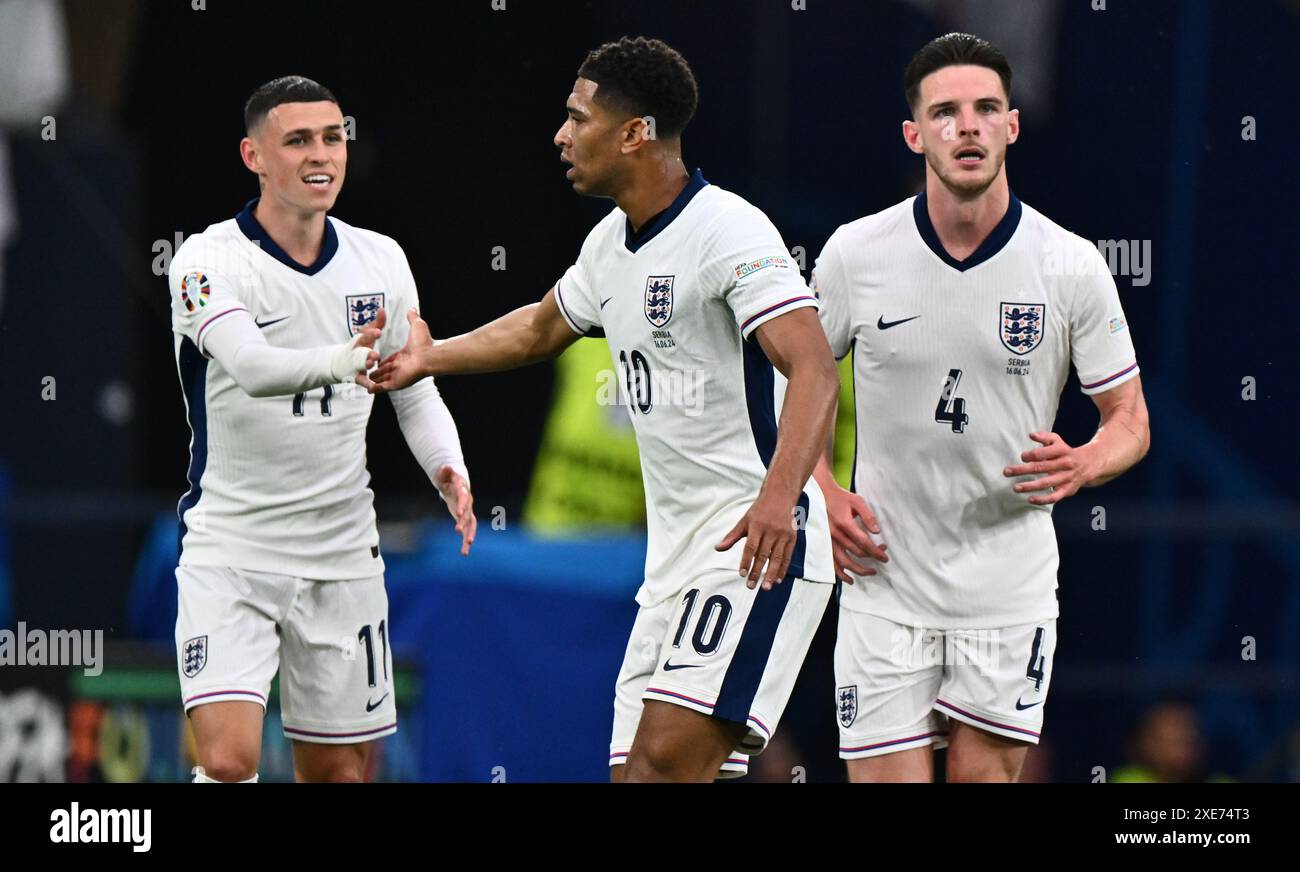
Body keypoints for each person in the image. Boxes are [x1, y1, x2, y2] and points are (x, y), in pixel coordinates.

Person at [367, 37, 840, 783]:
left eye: (577, 117)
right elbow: (540, 328)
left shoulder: (729, 231)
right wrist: (431, 356)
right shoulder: (608, 246)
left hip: (752, 550)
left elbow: (814, 365)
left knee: (660, 768)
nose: (561, 134)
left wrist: (779, 500)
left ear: (633, 133)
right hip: (672, 568)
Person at [811, 33, 1151, 782]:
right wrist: (822, 492)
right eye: (945, 112)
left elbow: (1129, 417)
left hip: (1008, 588)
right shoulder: (853, 254)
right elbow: (793, 384)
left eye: (985, 109)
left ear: (1012, 126)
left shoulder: (1071, 265)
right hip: (883, 580)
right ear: (915, 133)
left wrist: (1087, 460)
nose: (966, 126)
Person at [168, 76, 475, 783]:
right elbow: (251, 365)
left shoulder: (382, 259)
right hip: (233, 545)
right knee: (227, 759)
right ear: (254, 156)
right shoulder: (206, 261)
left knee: (339, 774)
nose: (321, 154)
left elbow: (414, 387)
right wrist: (348, 357)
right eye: (298, 139)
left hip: (342, 553)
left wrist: (446, 468)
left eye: (333, 137)